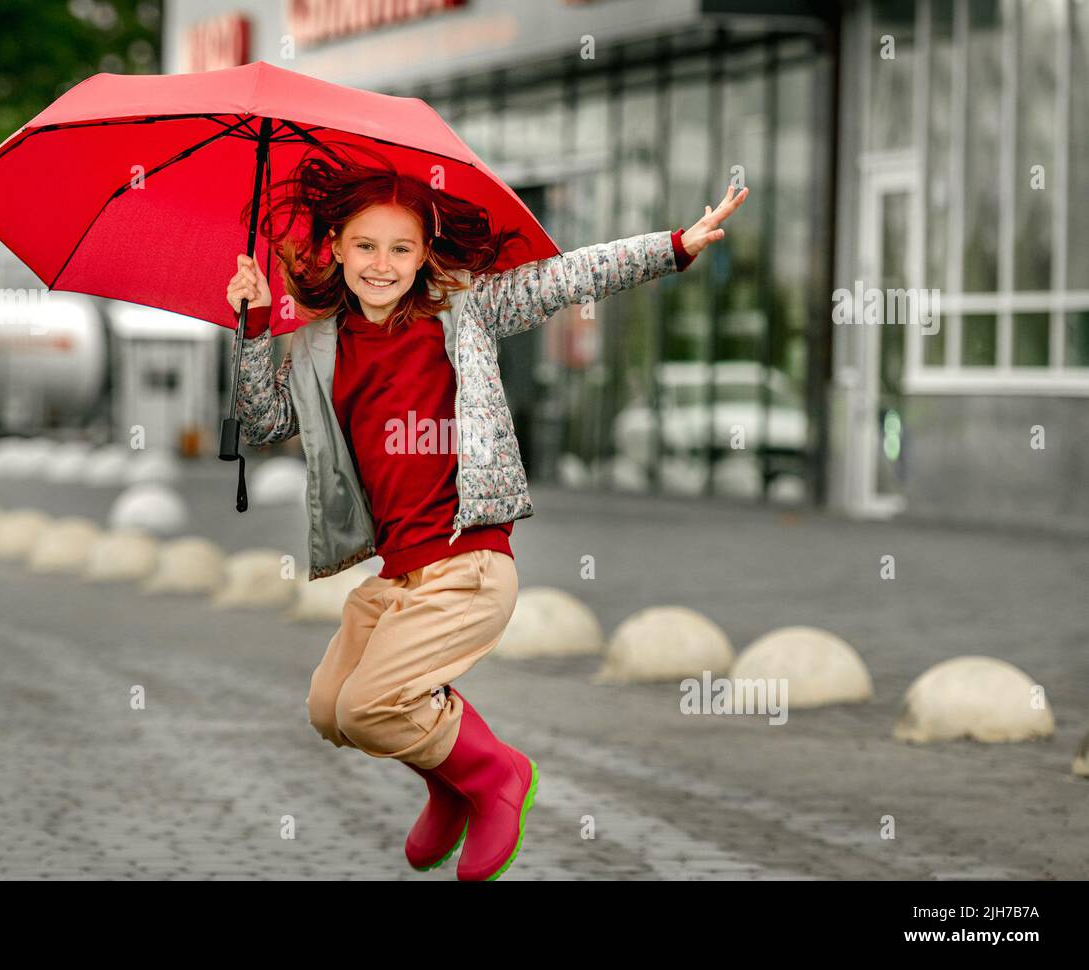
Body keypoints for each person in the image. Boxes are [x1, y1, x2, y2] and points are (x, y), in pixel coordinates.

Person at [227, 142, 746, 880]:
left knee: (374, 705)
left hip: (467, 565)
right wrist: (249, 327)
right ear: (336, 247)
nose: (382, 262)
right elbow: (264, 420)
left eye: (401, 247)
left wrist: (674, 246)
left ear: (423, 253)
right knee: (331, 708)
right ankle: (451, 783)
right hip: (395, 578)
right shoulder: (318, 344)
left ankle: (496, 777)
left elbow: (567, 276)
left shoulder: (463, 312)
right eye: (366, 245)